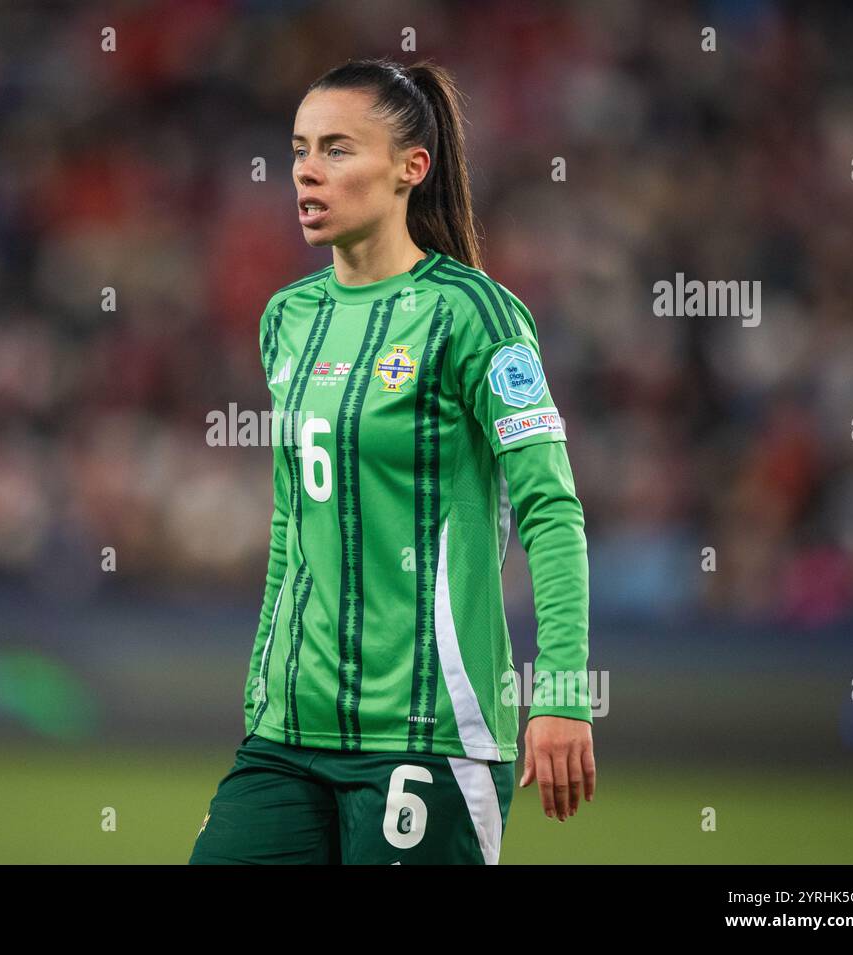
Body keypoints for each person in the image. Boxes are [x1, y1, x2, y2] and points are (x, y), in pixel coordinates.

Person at [189, 57, 595, 865]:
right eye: (300, 147)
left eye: (338, 148)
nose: (307, 169)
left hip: (427, 729)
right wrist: (264, 684)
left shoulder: (474, 314)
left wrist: (564, 690)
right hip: (286, 733)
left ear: (413, 167)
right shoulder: (287, 319)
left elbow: (550, 506)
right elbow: (290, 520)